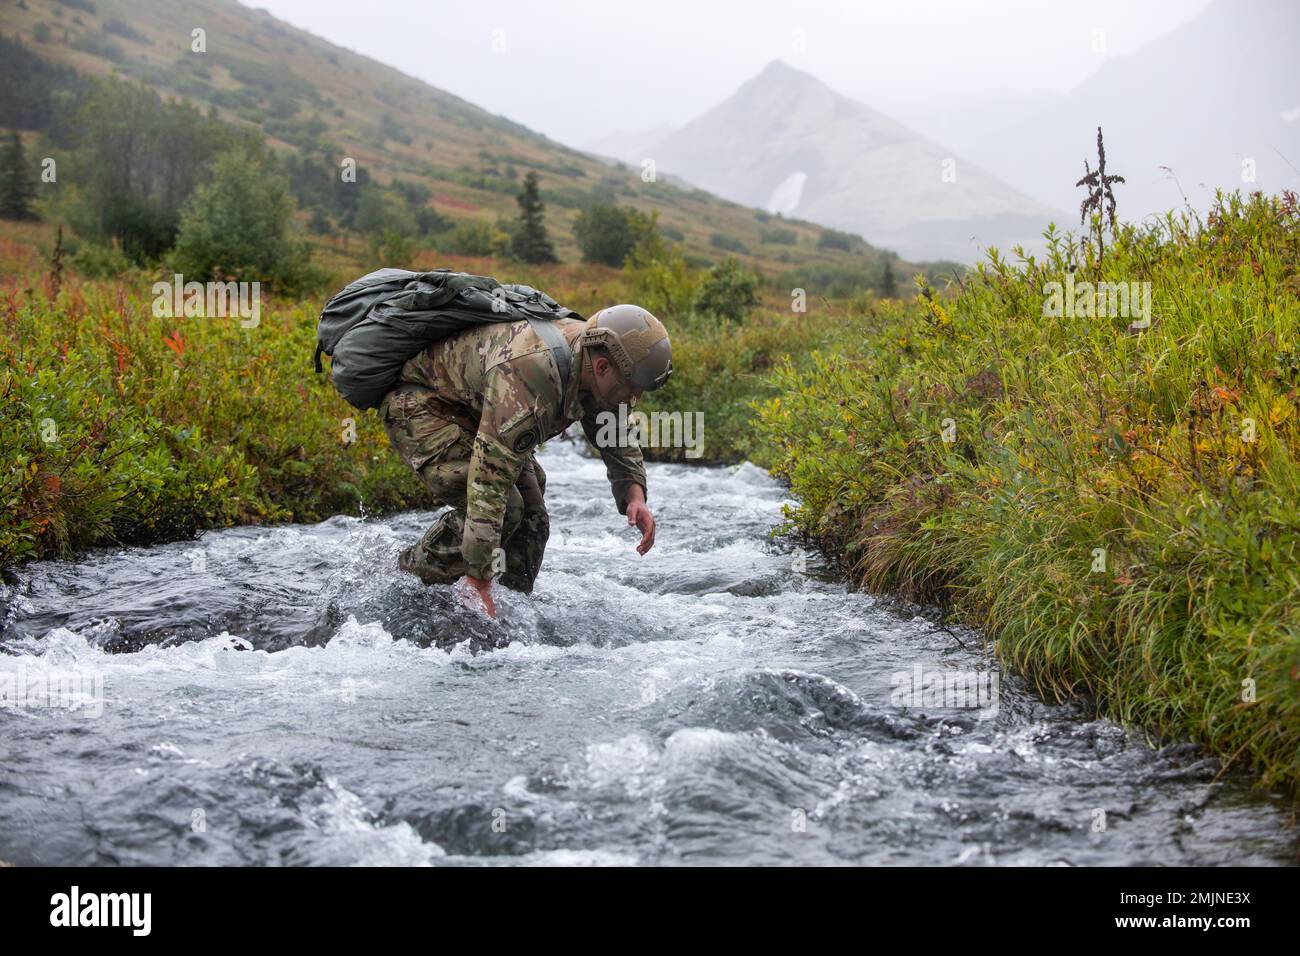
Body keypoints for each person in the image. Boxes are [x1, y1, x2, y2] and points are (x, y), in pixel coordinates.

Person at [378, 303, 672, 618]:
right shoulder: (534, 374)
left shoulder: (594, 361)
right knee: (507, 510)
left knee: (534, 522)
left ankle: (508, 615)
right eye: (632, 389)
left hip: (474, 407)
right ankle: (407, 586)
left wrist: (634, 495)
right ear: (601, 367)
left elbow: (612, 425)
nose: (633, 399)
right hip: (423, 406)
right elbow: (489, 481)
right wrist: (478, 581)